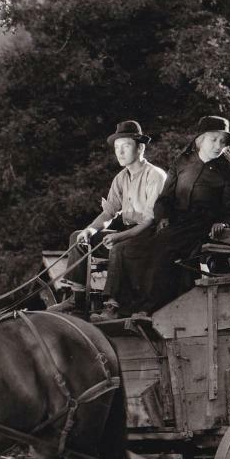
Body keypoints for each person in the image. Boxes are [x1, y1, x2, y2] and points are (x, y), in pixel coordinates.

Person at [130, 115, 230, 318]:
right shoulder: (183, 161)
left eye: (223, 141)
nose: (219, 146)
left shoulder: (228, 169)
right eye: (213, 139)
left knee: (163, 247)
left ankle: (151, 309)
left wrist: (224, 222)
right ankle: (134, 304)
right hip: (177, 222)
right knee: (138, 246)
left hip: (205, 226)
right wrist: (163, 217)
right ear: (200, 139)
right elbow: (165, 197)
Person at [49, 120, 166, 316]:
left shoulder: (155, 176)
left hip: (150, 235)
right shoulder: (121, 178)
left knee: (118, 248)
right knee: (78, 238)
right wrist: (90, 230)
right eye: (117, 148)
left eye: (126, 146)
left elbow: (149, 221)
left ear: (140, 148)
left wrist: (119, 237)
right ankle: (77, 299)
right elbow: (109, 212)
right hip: (128, 232)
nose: (120, 152)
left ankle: (114, 306)